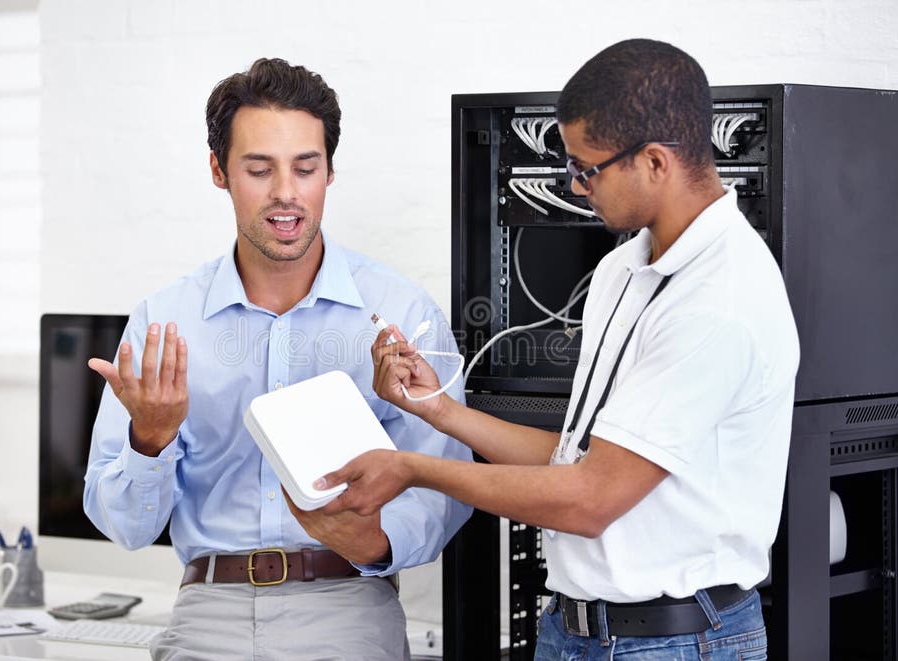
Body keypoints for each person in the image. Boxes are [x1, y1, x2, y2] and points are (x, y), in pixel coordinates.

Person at [318, 39, 800, 659]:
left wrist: (413, 468)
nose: (575, 187)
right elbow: (577, 462)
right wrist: (437, 410)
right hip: (573, 631)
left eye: (586, 168)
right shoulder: (624, 270)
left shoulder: (720, 300)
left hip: (679, 642)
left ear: (655, 162)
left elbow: (591, 501)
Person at [83, 57, 471, 661]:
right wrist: (149, 441)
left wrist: (373, 541)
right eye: (259, 169)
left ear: (330, 171)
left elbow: (446, 483)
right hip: (207, 613)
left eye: (305, 168)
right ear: (220, 171)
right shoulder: (165, 320)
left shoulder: (401, 309)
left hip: (347, 609)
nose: (286, 193)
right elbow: (125, 527)